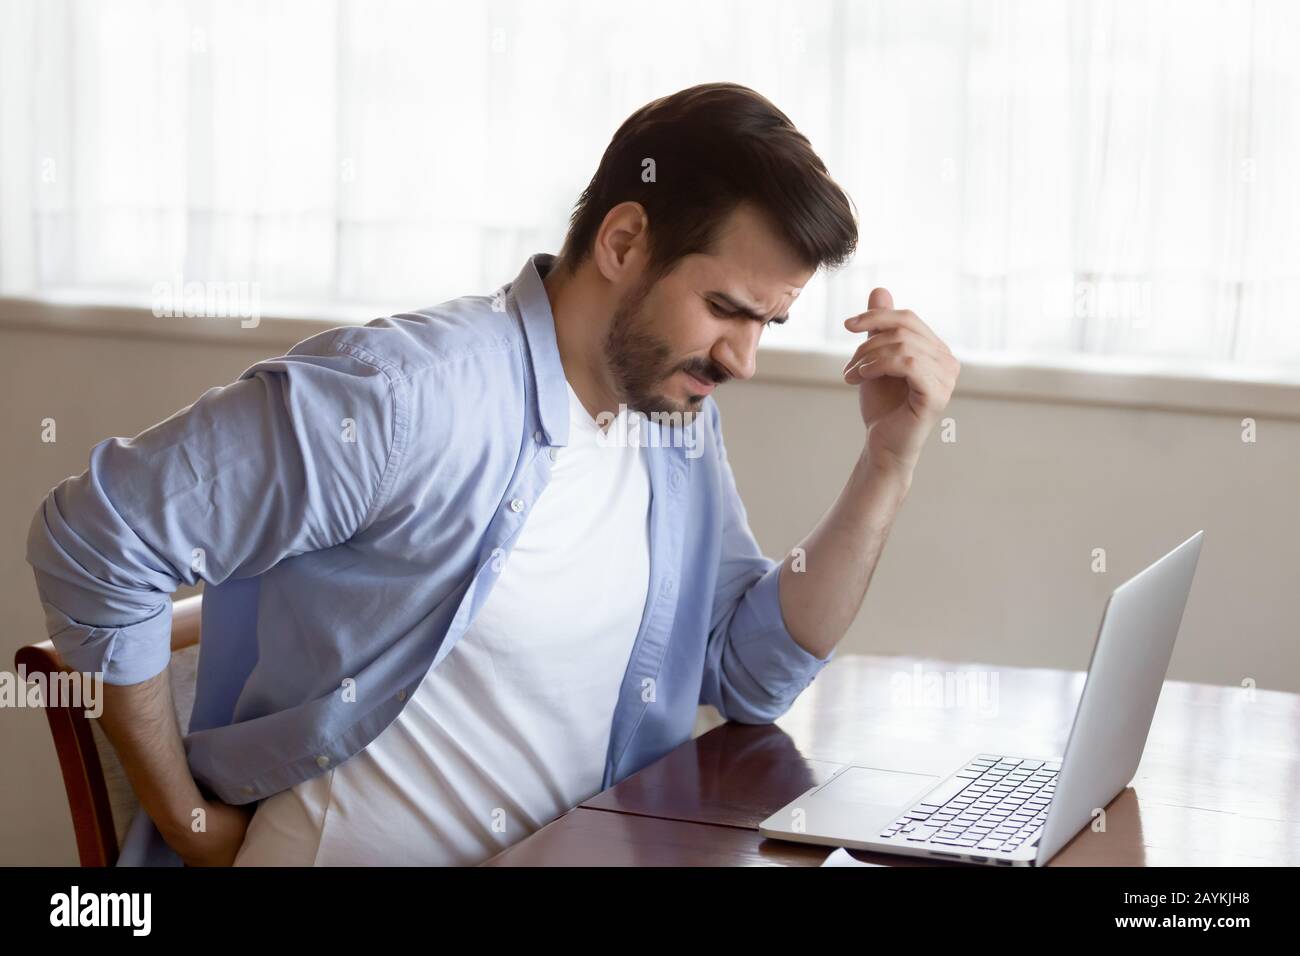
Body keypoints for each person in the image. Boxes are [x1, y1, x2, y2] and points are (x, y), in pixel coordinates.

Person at [26, 82, 959, 866]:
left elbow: (747, 673)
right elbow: (97, 538)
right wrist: (190, 828)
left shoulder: (670, 424)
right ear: (624, 241)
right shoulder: (404, 399)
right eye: (725, 308)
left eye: (766, 322)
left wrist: (889, 461)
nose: (743, 359)